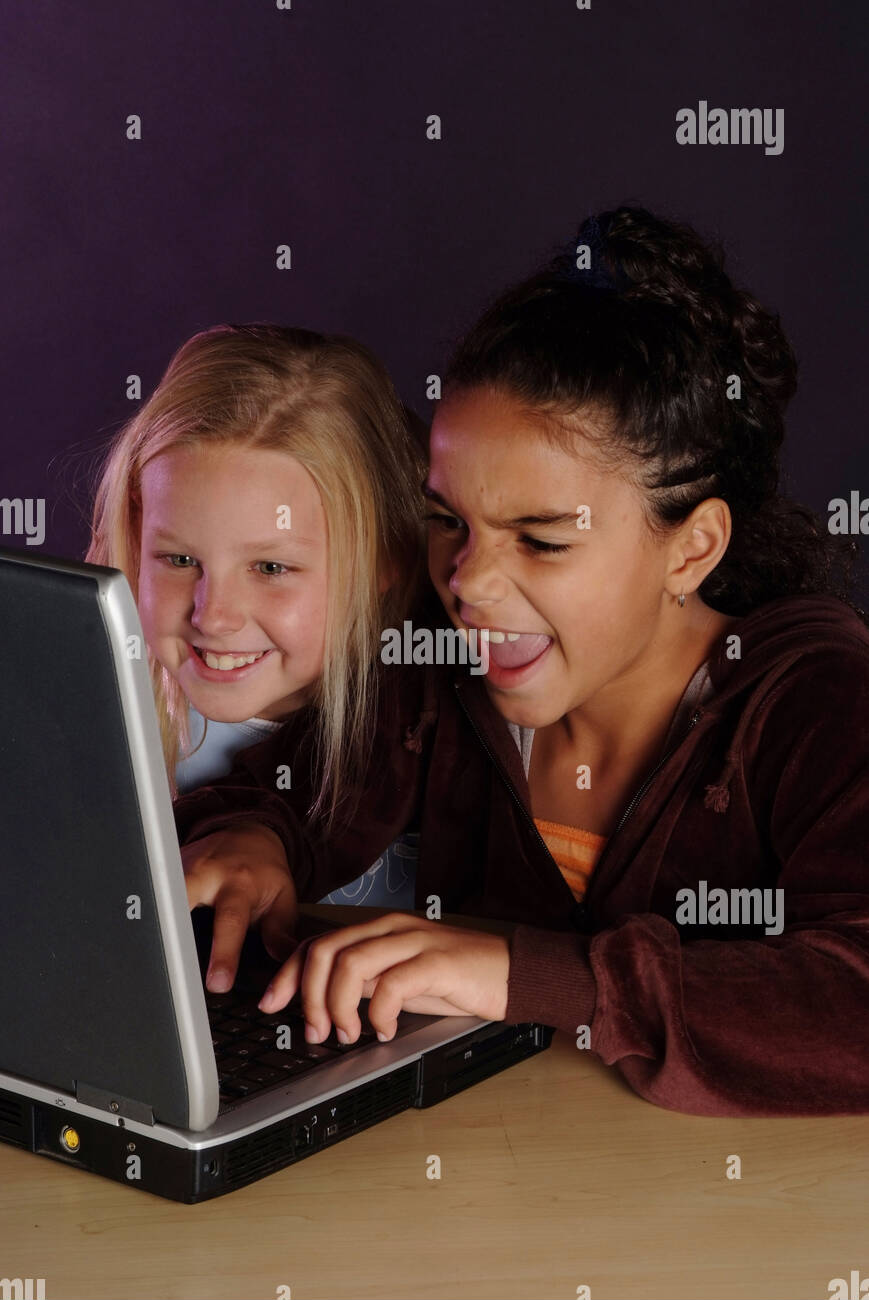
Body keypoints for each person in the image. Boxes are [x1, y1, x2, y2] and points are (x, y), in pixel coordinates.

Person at [173, 209, 869, 1114]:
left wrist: (528, 976)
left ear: (691, 548)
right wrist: (259, 841)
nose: (471, 585)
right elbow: (308, 790)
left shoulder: (815, 700)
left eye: (540, 541)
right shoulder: (439, 668)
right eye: (449, 521)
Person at [87, 322, 427, 978]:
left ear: (384, 561)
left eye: (271, 567)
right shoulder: (87, 718)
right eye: (180, 558)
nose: (213, 615)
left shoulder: (434, 715)